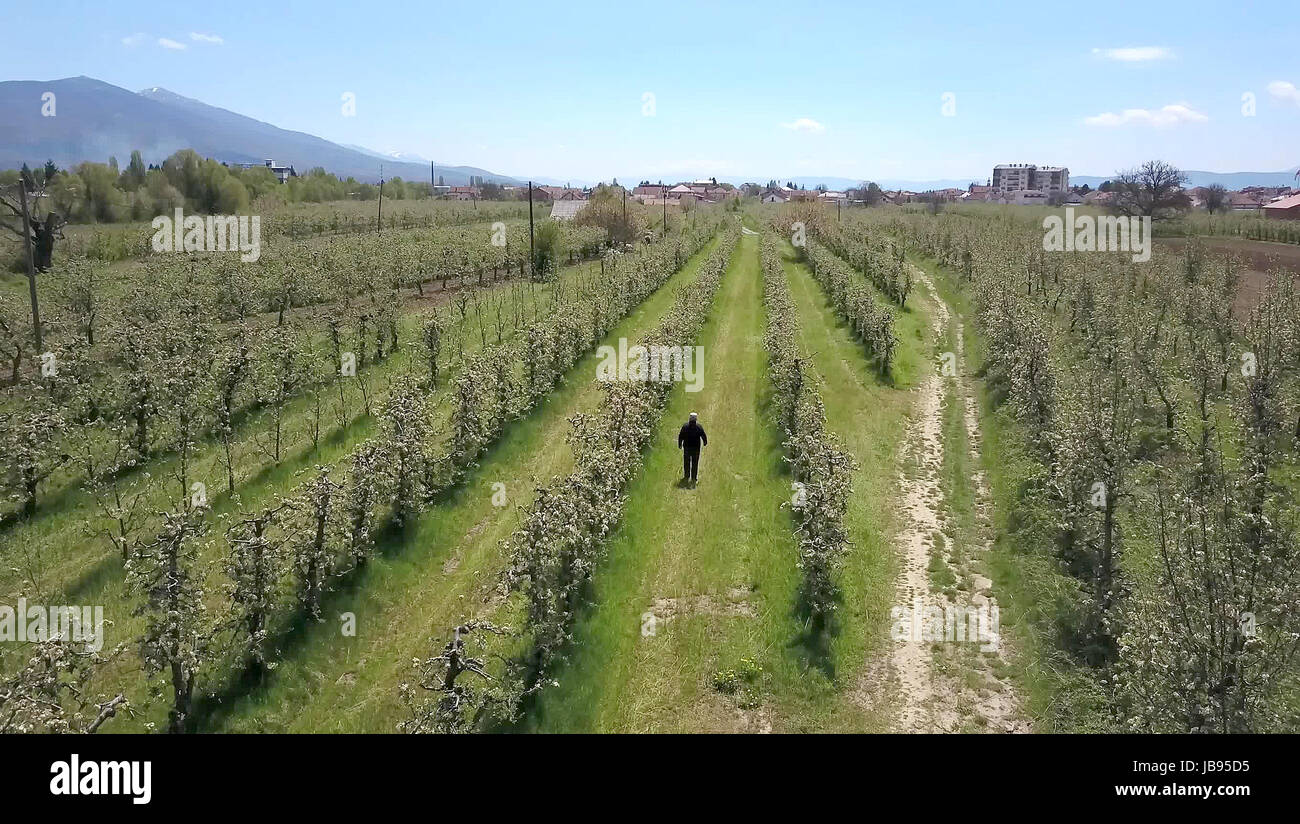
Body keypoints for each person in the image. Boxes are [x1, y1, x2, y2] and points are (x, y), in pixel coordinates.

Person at [677, 412, 707, 485]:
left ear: (689, 419)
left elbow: (681, 436)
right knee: (695, 463)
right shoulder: (699, 427)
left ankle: (686, 476)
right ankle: (694, 477)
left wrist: (680, 444)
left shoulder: (685, 426)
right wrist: (705, 442)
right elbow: (703, 435)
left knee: (686, 462)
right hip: (696, 448)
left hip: (687, 448)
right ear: (696, 419)